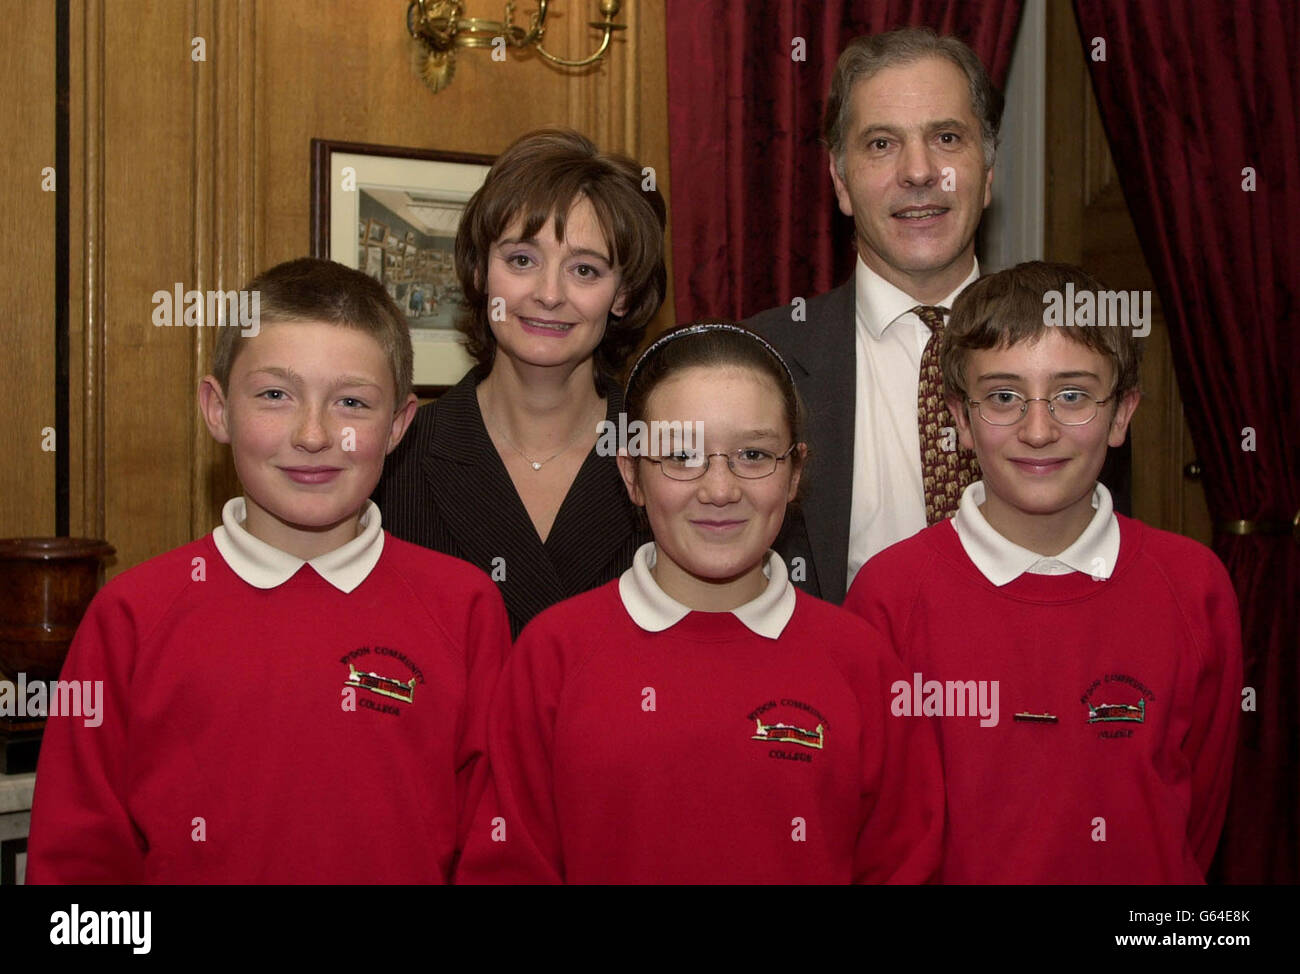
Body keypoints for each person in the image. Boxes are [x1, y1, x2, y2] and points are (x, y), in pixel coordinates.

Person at [26, 258, 511, 883]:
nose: (313, 434)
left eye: (352, 402)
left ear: (397, 427)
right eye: (276, 395)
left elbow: (496, 849)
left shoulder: (463, 607)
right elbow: (76, 867)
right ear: (218, 409)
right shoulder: (130, 617)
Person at [456, 323, 945, 884]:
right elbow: (510, 864)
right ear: (631, 475)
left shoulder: (862, 661)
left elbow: (903, 863)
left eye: (754, 454)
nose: (719, 489)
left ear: (794, 473)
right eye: (681, 456)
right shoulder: (554, 653)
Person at [843, 262, 1242, 883]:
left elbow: (1200, 808)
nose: (1038, 429)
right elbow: (883, 824)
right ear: (960, 418)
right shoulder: (890, 596)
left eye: (1073, 395)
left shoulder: (1194, 585)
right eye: (1003, 397)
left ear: (1121, 415)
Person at [375, 129, 667, 637]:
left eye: (584, 269)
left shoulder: (670, 458)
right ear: (481, 273)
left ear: (623, 295)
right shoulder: (393, 455)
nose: (549, 294)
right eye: (522, 261)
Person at [746, 27, 1000, 604]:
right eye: (882, 144)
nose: (918, 171)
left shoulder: (1071, 362)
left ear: (988, 171)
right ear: (840, 180)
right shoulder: (760, 360)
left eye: (946, 137)